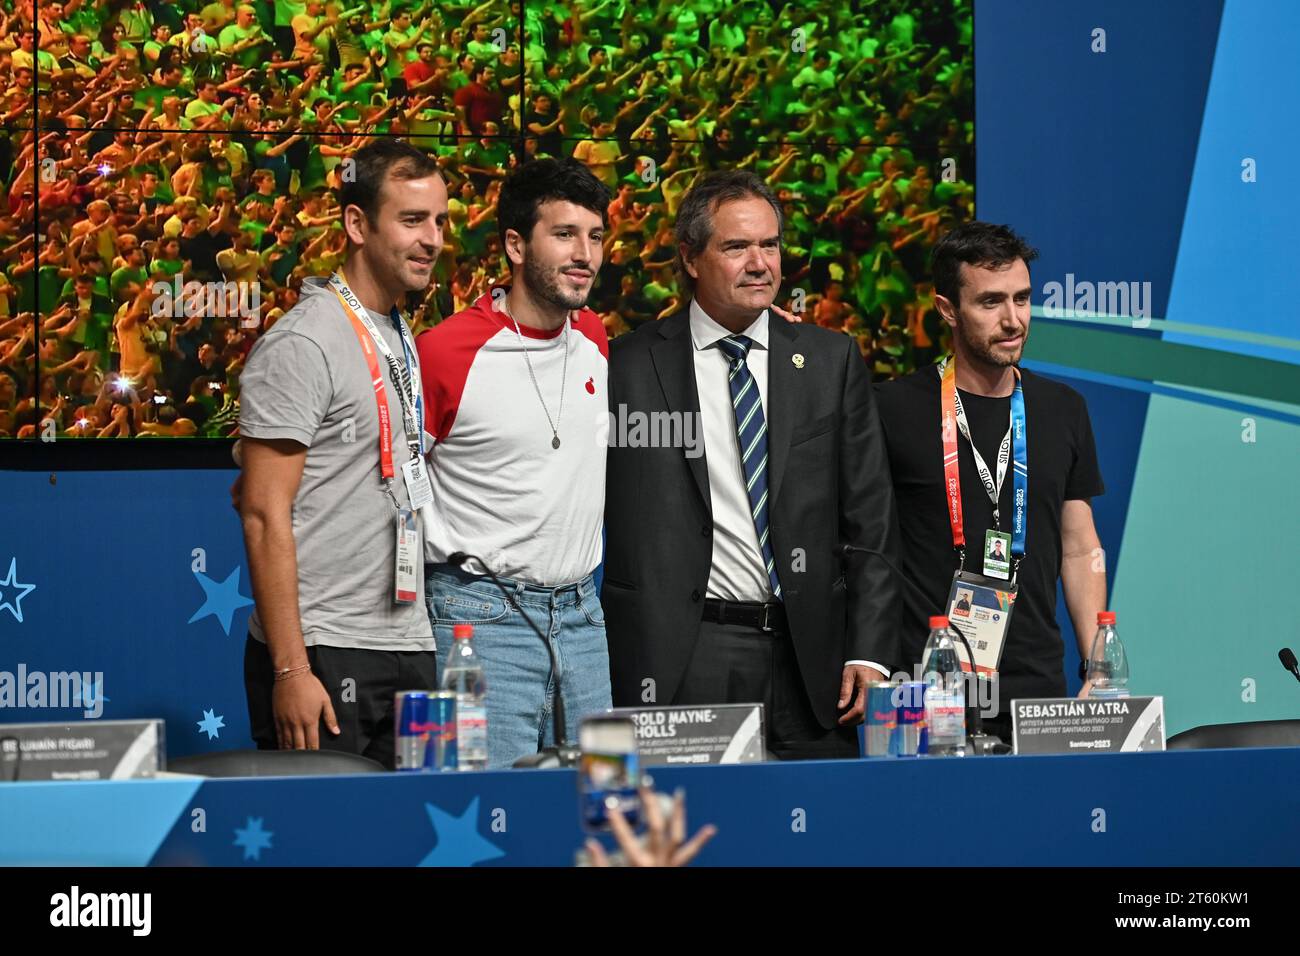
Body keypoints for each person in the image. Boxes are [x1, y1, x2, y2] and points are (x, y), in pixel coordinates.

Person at [602, 170, 901, 760]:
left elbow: (871, 518)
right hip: (686, 656)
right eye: (736, 247)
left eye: (769, 245)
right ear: (690, 257)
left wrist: (869, 649)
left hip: (817, 661)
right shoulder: (628, 366)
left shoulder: (829, 359)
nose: (760, 262)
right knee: (695, 843)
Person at [237, 139, 447, 768]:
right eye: (412, 220)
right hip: (324, 650)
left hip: (410, 639)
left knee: (415, 843)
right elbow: (262, 513)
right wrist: (290, 669)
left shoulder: (399, 329)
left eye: (440, 220)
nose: (432, 239)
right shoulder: (304, 341)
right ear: (357, 224)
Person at [873, 222, 1107, 741]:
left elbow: (1078, 545)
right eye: (990, 302)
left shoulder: (1064, 409)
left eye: (1022, 299)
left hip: (1036, 682)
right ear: (947, 309)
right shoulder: (890, 409)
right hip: (925, 684)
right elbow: (864, 549)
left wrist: (1097, 664)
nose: (1012, 320)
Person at [416, 158, 613, 770]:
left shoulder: (596, 339)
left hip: (584, 620)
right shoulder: (445, 353)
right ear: (514, 245)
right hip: (478, 621)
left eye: (596, 237)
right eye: (564, 235)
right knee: (484, 822)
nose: (585, 253)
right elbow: (386, 489)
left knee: (605, 818)